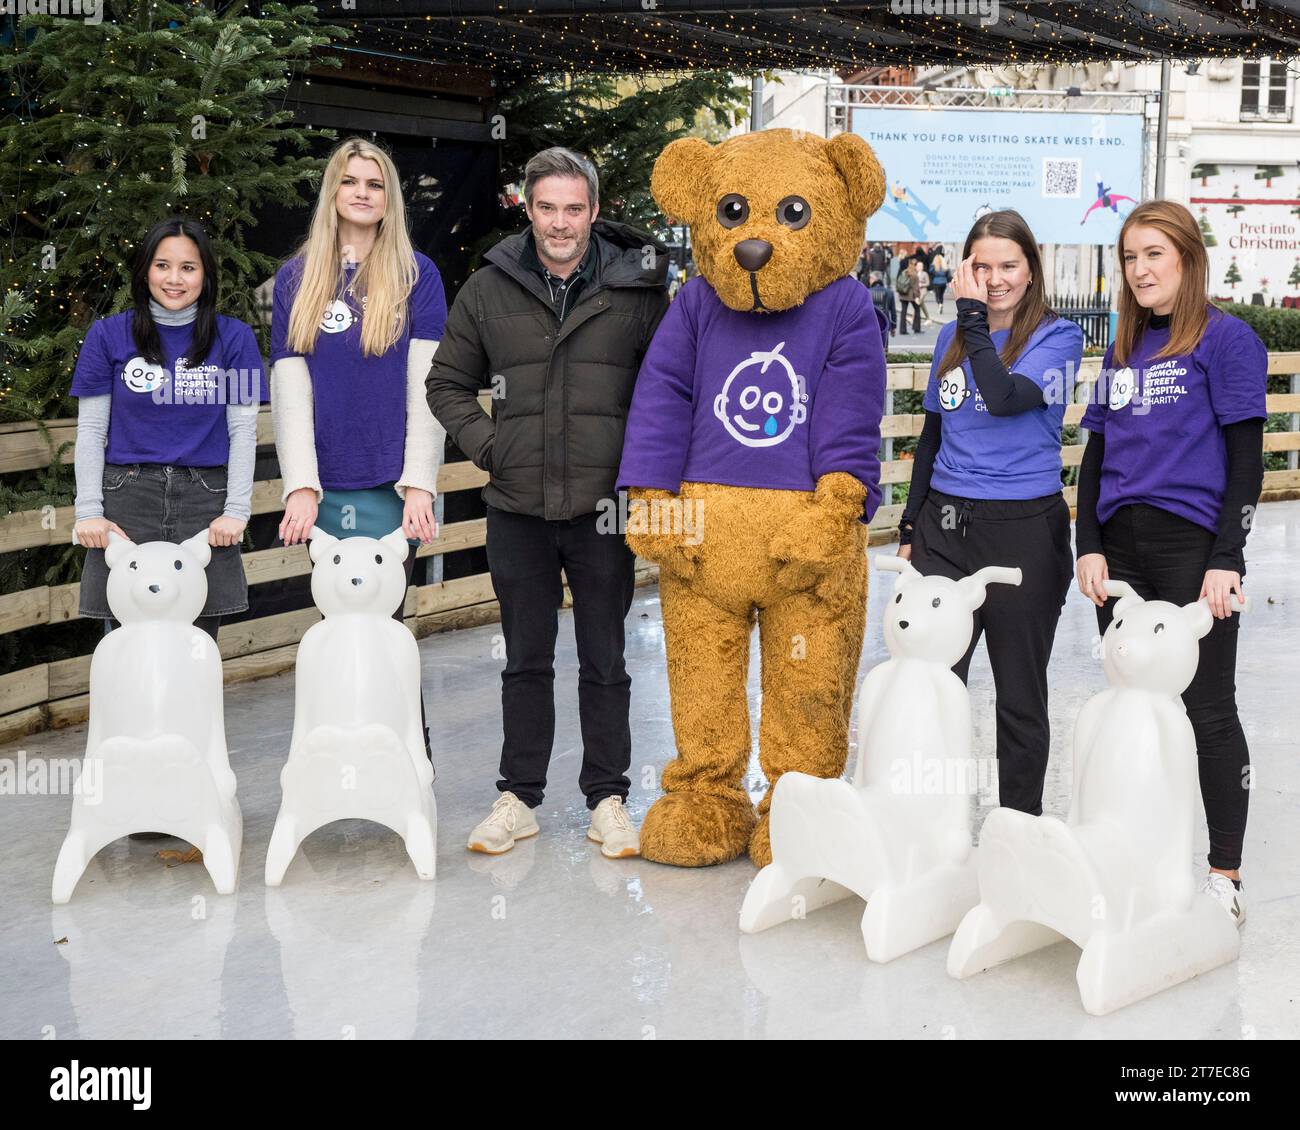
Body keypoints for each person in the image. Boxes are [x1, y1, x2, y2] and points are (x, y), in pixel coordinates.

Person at [426, 147, 670, 858]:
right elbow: (446, 382)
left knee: (606, 658)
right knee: (524, 659)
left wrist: (641, 473)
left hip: (604, 510)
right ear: (526, 208)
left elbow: (667, 393)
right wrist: (493, 448)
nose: (559, 223)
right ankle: (519, 797)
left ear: (594, 211)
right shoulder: (489, 289)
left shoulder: (638, 292)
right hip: (518, 508)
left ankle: (609, 798)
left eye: (573, 208)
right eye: (546, 208)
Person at [1075, 200, 1266, 927]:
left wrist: (1228, 557)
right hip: (1120, 556)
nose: (1140, 269)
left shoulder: (1228, 341)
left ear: (1186, 258)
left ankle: (1224, 874)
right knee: (1132, 706)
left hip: (1192, 551)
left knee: (1208, 709)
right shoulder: (1123, 348)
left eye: (1154, 253)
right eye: (1130, 257)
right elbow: (1095, 457)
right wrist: (1086, 545)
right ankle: (1134, 859)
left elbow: (1246, 463)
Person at [72, 216, 266, 841]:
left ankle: (191, 791)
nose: (174, 278)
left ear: (205, 274)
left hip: (202, 502)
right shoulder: (109, 337)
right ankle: (130, 797)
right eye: (163, 265)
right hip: (125, 501)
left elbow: (242, 430)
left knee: (194, 655)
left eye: (188, 266)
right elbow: (92, 432)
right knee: (125, 654)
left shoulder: (233, 341)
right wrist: (87, 511)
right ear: (145, 271)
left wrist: (236, 510)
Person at [899, 209, 1083, 817]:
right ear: (965, 268)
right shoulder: (954, 341)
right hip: (945, 529)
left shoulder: (1057, 339)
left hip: (1023, 532)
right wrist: (909, 529)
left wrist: (971, 318)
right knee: (931, 685)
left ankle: (1017, 835)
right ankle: (932, 827)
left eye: (1009, 266)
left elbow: (1004, 399)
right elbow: (931, 437)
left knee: (1019, 696)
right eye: (983, 266)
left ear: (1032, 272)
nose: (996, 278)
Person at [270, 136, 447, 765]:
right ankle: (331, 761)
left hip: (389, 486)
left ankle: (405, 761)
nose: (363, 193)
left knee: (386, 629)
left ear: (388, 196)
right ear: (334, 193)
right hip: (326, 486)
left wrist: (420, 482)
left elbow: (429, 386)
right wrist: (300, 484)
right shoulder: (297, 278)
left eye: (375, 183)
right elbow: (290, 389)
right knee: (333, 631)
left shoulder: (417, 275)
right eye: (351, 182)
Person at [895, 258, 922, 335]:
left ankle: (902, 330)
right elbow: (915, 288)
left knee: (903, 311)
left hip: (903, 294)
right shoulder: (914, 275)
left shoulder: (904, 272)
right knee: (917, 309)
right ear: (915, 265)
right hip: (911, 295)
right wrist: (917, 296)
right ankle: (917, 328)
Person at [868, 271, 898, 338]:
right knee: (884, 346)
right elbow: (893, 311)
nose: (869, 280)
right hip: (885, 323)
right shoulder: (889, 292)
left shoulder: (867, 292)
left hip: (871, 324)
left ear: (873, 279)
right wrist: (893, 327)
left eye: (870, 278)